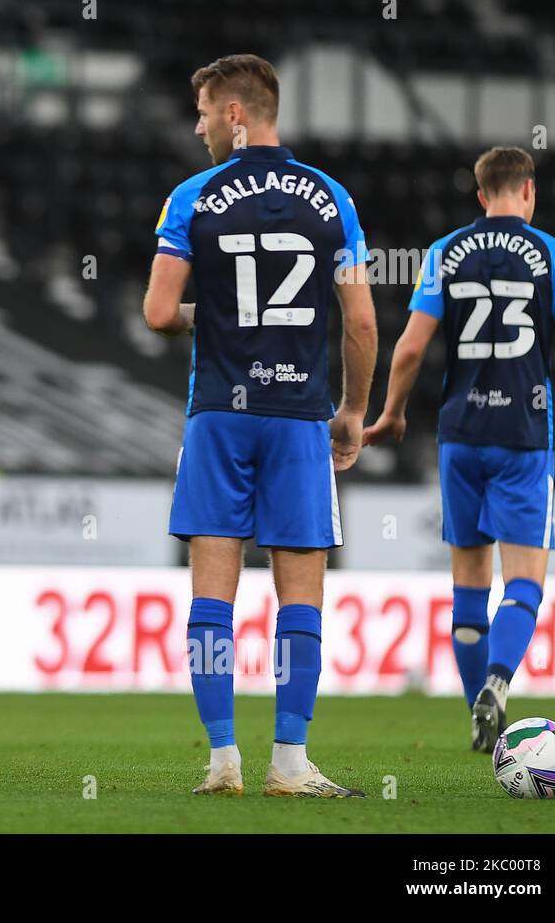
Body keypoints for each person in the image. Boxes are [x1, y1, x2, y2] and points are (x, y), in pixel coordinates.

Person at [144, 54, 376, 797]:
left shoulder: (192, 197)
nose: (199, 125)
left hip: (219, 415)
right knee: (299, 599)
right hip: (300, 418)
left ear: (236, 113)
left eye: (206, 111)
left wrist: (209, 317)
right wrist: (354, 411)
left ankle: (222, 762)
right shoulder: (331, 197)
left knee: (213, 596)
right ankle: (291, 763)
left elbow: (155, 314)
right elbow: (363, 321)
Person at [364, 146, 555, 751]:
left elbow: (409, 349)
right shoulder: (553, 255)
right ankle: (499, 681)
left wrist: (391, 413)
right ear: (530, 191)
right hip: (522, 437)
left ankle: (477, 716)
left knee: (468, 585)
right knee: (523, 584)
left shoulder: (445, 252)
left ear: (481, 195)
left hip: (460, 436)